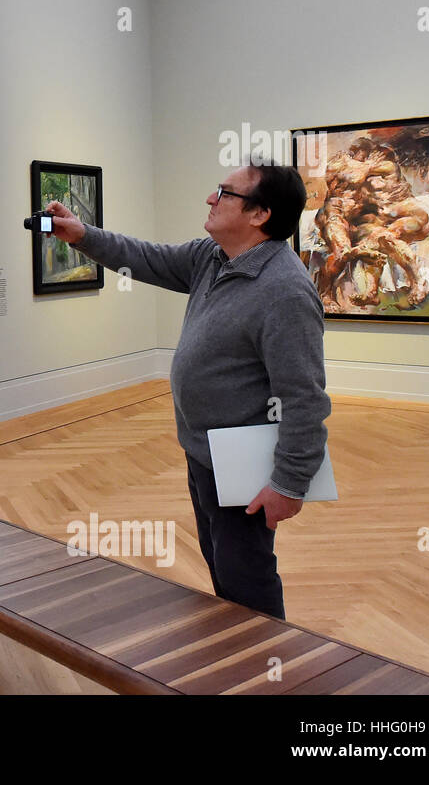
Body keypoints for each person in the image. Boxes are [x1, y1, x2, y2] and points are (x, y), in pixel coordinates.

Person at [44, 158, 331, 620]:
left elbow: (304, 398)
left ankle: (268, 670)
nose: (210, 197)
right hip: (203, 450)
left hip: (243, 460)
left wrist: (290, 483)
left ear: (260, 214)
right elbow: (145, 257)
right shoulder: (211, 258)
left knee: (247, 576)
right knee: (221, 562)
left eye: (225, 192)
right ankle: (238, 651)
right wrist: (83, 234)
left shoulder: (284, 291)